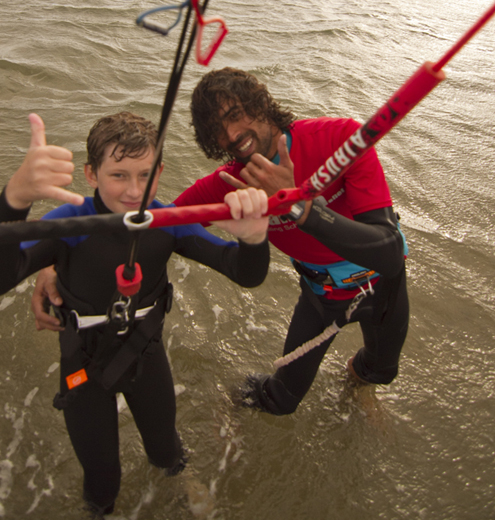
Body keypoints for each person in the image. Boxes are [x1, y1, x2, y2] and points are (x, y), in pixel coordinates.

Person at [31, 67, 409, 418]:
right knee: (280, 402)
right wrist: (54, 263)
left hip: (384, 287)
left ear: (261, 105)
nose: (230, 135)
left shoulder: (338, 138)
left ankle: (359, 388)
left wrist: (298, 205)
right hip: (320, 295)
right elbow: (152, 227)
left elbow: (389, 252)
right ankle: (228, 411)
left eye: (235, 114)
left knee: (380, 371)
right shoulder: (228, 185)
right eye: (216, 130)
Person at [0, 111, 269, 517]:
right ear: (91, 175)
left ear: (161, 170)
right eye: (119, 175)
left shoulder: (169, 222)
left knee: (166, 448)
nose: (135, 191)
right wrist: (15, 199)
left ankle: (179, 480)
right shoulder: (69, 223)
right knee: (101, 477)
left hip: (145, 352)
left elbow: (243, 273)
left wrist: (254, 239)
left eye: (146, 174)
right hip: (83, 363)